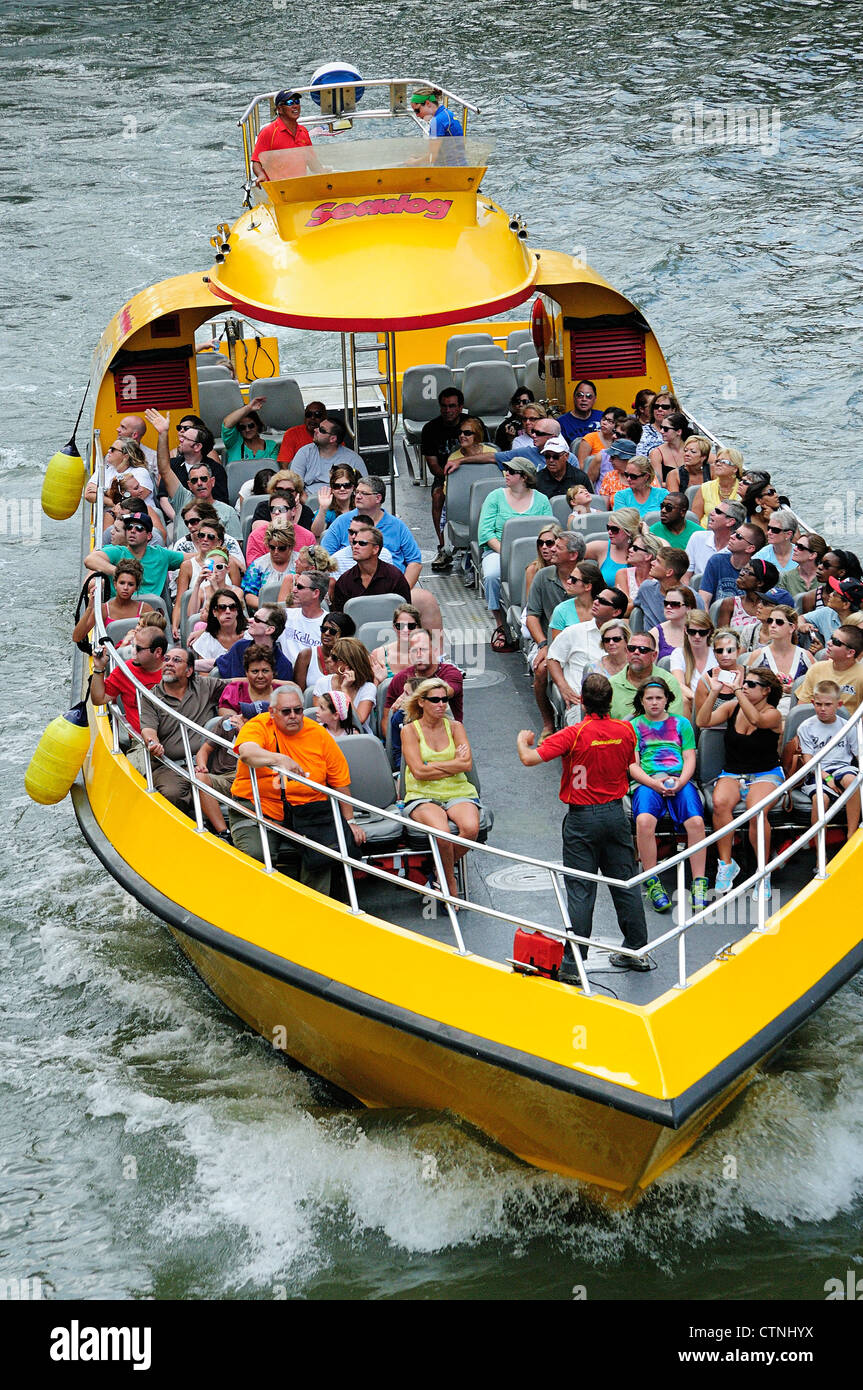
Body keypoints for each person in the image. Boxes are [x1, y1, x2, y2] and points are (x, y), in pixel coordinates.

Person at [516, 673, 649, 973]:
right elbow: (631, 764)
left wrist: (523, 740)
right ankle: (637, 949)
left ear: (582, 701)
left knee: (580, 889)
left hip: (582, 820)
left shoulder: (573, 734)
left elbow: (529, 759)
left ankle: (574, 962)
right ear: (610, 701)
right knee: (624, 882)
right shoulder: (626, 730)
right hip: (616, 815)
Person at [229, 684, 365, 896]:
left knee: (324, 852)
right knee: (255, 854)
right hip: (260, 805)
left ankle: (314, 906)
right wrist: (280, 759)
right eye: (286, 711)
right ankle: (262, 905)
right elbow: (247, 753)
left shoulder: (318, 734)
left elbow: (339, 782)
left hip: (308, 809)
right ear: (272, 712)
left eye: (298, 710)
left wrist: (350, 822)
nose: (293, 716)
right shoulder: (259, 725)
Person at [696, 668, 785, 898]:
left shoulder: (773, 714)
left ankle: (762, 872)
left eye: (751, 684)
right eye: (744, 683)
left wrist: (736, 690)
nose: (744, 686)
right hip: (733, 773)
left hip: (766, 773)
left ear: (766, 691)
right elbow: (702, 720)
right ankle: (726, 864)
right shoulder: (732, 707)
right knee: (720, 803)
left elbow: (756, 719)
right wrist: (714, 692)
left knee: (756, 811)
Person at [629, 678, 708, 913]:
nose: (654, 702)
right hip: (648, 781)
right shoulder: (633, 726)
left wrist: (680, 782)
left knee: (696, 822)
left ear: (667, 700)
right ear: (642, 701)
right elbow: (632, 766)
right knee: (644, 821)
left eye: (659, 698)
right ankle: (652, 879)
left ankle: (699, 882)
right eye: (649, 698)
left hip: (679, 780)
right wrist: (654, 783)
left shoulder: (682, 723)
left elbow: (690, 758)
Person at [401, 678, 479, 900]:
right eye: (435, 700)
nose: (441, 704)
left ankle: (439, 869)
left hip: (458, 791)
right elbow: (418, 772)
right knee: (442, 834)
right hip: (422, 795)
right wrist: (451, 765)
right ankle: (449, 883)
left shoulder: (455, 727)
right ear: (422, 702)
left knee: (471, 829)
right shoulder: (409, 731)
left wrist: (432, 766)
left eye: (445, 700)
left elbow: (466, 765)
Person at [138, 648, 231, 831]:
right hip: (171, 764)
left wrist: (279, 684)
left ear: (189, 671)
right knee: (170, 794)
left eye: (176, 660)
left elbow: (235, 685)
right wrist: (152, 743)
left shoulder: (205, 686)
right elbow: (148, 730)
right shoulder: (151, 697)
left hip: (207, 762)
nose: (169, 663)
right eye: (166, 659)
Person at [477, 458, 553, 652]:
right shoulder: (495, 497)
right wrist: (508, 554)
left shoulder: (542, 500)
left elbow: (550, 531)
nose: (506, 473)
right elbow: (486, 533)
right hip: (498, 551)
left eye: (511, 470)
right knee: (493, 575)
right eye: (506, 469)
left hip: (536, 553)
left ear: (524, 477)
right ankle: (501, 624)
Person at [525, 532, 587, 738]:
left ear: (573, 555)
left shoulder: (588, 574)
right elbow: (532, 616)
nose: (551, 550)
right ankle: (548, 722)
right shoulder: (543, 576)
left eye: (557, 547)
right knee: (541, 670)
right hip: (548, 640)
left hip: (580, 640)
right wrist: (543, 644)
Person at [145, 410, 240, 540]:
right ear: (189, 485)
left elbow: (236, 548)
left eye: (204, 479)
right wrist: (163, 434)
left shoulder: (227, 511)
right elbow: (164, 470)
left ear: (212, 481)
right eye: (194, 480)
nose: (199, 483)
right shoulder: (183, 498)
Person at [321, 476, 423, 587]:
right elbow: (324, 559)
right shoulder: (341, 522)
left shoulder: (397, 526)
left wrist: (402, 590)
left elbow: (414, 563)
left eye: (364, 493)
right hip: (349, 589)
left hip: (391, 588)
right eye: (357, 492)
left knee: (424, 599)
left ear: (378, 498)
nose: (358, 497)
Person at [547, 588, 629, 723]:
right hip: (582, 706)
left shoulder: (627, 638)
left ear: (616, 612)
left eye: (602, 601)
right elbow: (553, 658)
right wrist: (563, 687)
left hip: (620, 704)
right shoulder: (574, 631)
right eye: (597, 598)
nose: (596, 602)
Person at [796, 681, 860, 836]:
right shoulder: (806, 727)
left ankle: (851, 835)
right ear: (813, 703)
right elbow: (809, 760)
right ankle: (820, 852)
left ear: (839, 704)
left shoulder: (848, 725)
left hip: (842, 767)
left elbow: (858, 754)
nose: (822, 709)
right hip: (817, 770)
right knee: (821, 799)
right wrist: (827, 777)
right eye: (818, 704)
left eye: (828, 704)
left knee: (853, 781)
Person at [420, 387, 471, 571]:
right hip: (445, 476)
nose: (447, 410)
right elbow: (433, 466)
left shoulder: (473, 424)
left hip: (473, 474)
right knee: (437, 496)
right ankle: (443, 547)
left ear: (460, 407)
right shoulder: (430, 429)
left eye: (452, 406)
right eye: (444, 406)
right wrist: (452, 481)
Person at [84, 512, 185, 598]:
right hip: (120, 612)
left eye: (139, 528)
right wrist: (119, 572)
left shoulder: (161, 554)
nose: (133, 531)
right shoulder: (117, 551)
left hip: (150, 614)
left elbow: (194, 559)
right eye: (129, 527)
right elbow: (90, 560)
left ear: (149, 536)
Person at [383, 629, 464, 733]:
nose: (419, 654)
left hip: (448, 736)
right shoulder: (400, 679)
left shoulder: (450, 673)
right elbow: (386, 721)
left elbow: (445, 692)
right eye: (414, 650)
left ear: (435, 650)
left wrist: (410, 696)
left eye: (424, 649)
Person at [90, 627, 167, 734]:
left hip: (173, 736)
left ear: (158, 652)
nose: (133, 651)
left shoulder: (174, 670)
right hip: (141, 740)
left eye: (138, 648)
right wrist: (99, 668)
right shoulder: (125, 670)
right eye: (133, 645)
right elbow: (98, 699)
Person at [744, 604, 812, 712]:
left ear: (792, 627)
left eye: (779, 622)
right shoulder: (757, 655)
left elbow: (817, 687)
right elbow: (746, 687)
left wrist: (796, 689)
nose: (773, 625)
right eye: (770, 621)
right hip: (762, 714)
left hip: (795, 714)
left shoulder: (806, 656)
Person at [330, 524, 412, 612]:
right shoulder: (344, 581)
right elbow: (340, 620)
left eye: (362, 543)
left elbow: (407, 615)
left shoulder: (395, 577)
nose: (355, 546)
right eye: (354, 542)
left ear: (375, 549)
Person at [72, 560, 153, 645]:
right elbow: (77, 637)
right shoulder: (103, 609)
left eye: (131, 584)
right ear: (115, 584)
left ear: (136, 587)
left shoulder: (145, 609)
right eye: (122, 583)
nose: (125, 588)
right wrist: (89, 608)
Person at [609, 630, 685, 720]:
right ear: (626, 652)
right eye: (632, 648)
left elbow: (674, 723)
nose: (636, 652)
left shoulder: (669, 682)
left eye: (643, 650)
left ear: (654, 655)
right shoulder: (611, 684)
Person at [251, 90, 319, 183]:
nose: (295, 106)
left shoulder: (303, 131)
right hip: (278, 190)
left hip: (301, 186)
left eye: (297, 102)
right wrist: (261, 175)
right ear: (280, 109)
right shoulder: (268, 132)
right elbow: (256, 163)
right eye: (290, 103)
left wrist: (327, 172)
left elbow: (313, 163)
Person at [794, 626, 863, 713]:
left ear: (850, 653)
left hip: (849, 725)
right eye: (831, 638)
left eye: (836, 642)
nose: (829, 643)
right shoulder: (816, 669)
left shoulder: (861, 676)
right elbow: (802, 708)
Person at [215, 604, 294, 680]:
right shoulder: (239, 647)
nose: (250, 620)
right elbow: (219, 662)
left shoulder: (283, 666)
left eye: (256, 619)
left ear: (269, 630)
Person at [246, 477, 316, 563]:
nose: (276, 512)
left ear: (293, 511)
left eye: (282, 509)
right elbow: (253, 571)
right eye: (273, 508)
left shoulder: (307, 537)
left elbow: (311, 568)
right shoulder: (256, 536)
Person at [314, 637, 377, 731]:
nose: (328, 659)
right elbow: (321, 719)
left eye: (334, 657)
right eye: (330, 655)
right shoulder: (322, 683)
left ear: (347, 664)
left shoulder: (368, 688)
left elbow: (358, 721)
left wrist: (345, 690)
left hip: (357, 738)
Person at [290, 415, 367, 491]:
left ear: (333, 439)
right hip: (307, 501)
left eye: (321, 430)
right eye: (318, 427)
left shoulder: (353, 459)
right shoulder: (304, 452)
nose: (315, 430)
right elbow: (293, 486)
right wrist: (307, 501)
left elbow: (364, 489)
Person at [698, 522, 764, 605]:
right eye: (734, 533)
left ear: (750, 548)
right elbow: (704, 601)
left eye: (738, 536)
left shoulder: (755, 573)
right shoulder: (716, 561)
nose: (731, 537)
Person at [634, 546, 698, 629]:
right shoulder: (646, 589)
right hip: (650, 640)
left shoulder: (693, 598)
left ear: (669, 572)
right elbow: (633, 607)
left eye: (658, 561)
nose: (652, 563)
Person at [294, 610, 355, 691]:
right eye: (323, 629)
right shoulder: (306, 655)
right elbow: (299, 694)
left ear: (344, 635)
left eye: (332, 631)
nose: (326, 633)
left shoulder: (352, 658)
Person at [242, 523, 297, 610]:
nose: (276, 552)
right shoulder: (257, 566)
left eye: (281, 548)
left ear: (291, 547)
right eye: (272, 547)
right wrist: (270, 609)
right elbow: (249, 596)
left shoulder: (300, 563)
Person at [277, 570, 328, 665]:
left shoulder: (329, 625)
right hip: (286, 675)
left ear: (315, 593)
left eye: (299, 587)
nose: (293, 590)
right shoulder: (284, 615)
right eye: (295, 585)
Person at [686, 498, 745, 579]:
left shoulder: (739, 549)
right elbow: (686, 574)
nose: (711, 513)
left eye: (718, 511)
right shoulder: (697, 537)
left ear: (730, 522)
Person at [669, 610, 716, 708]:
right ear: (686, 630)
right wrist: (698, 700)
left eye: (702, 632)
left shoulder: (717, 653)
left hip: (714, 705)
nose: (697, 636)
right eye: (692, 632)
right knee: (683, 700)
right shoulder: (678, 654)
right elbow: (679, 684)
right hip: (691, 703)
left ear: (709, 632)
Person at [189, 589, 248, 667]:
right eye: (222, 607)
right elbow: (205, 676)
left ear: (237, 611)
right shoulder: (206, 640)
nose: (228, 611)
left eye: (232, 607)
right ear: (214, 612)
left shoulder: (251, 635)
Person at [548, 559, 604, 640]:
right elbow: (557, 647)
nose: (568, 581)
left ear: (587, 586)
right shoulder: (561, 610)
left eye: (573, 580)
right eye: (569, 577)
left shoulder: (605, 608)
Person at [585, 506, 641, 588]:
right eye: (608, 528)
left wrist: (645, 533)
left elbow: (665, 549)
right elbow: (573, 553)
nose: (609, 532)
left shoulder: (643, 551)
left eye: (614, 529)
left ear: (629, 531)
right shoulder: (602, 548)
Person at [369, 603, 424, 684]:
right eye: (400, 626)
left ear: (418, 627)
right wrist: (381, 682)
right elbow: (372, 692)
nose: (405, 630)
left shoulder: (427, 654)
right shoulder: (379, 654)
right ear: (394, 627)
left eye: (411, 626)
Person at [692, 447, 743, 524]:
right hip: (705, 532)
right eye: (717, 461)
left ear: (735, 468)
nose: (718, 464)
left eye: (724, 462)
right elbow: (694, 520)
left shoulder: (743, 489)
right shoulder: (705, 488)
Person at [308, 463, 360, 538]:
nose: (342, 489)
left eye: (346, 485)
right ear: (332, 489)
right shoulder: (329, 510)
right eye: (337, 486)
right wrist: (323, 508)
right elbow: (316, 533)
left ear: (353, 487)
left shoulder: (360, 505)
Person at [221, 397, 280, 462]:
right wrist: (248, 407)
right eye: (242, 427)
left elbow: (273, 469)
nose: (247, 430)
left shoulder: (271, 446)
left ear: (258, 425)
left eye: (251, 426)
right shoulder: (234, 442)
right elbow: (227, 424)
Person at [534, 435, 592, 499]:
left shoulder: (581, 478)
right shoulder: (537, 479)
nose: (551, 460)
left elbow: (590, 502)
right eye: (547, 456)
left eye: (556, 456)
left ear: (566, 456)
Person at [648, 585, 697, 660]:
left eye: (674, 604)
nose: (668, 607)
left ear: (688, 608)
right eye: (666, 603)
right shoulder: (655, 633)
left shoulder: (701, 632)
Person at [754, 507, 799, 586]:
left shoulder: (801, 554)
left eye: (775, 530)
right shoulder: (760, 556)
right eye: (769, 528)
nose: (769, 532)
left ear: (788, 534)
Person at [648, 410, 690, 491]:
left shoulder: (692, 450)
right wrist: (675, 483)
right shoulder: (656, 453)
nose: (661, 431)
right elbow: (657, 483)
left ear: (678, 431)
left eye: (666, 429)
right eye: (661, 427)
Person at [277, 401, 327, 466]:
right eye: (308, 414)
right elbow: (285, 466)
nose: (312, 418)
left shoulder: (331, 434)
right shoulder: (291, 434)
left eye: (317, 414)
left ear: (325, 417)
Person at [635, 390, 681, 457]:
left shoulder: (681, 432)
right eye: (656, 406)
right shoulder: (641, 432)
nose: (659, 409)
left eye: (665, 407)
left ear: (673, 410)